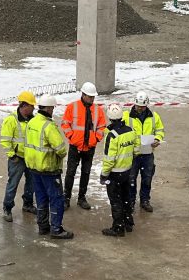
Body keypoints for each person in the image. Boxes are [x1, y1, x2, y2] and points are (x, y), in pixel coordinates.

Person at [24, 93, 71, 239]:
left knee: (41, 198)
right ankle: (56, 229)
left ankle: (43, 226)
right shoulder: (48, 126)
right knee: (56, 199)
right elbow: (61, 149)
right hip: (49, 169)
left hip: (34, 169)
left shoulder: (32, 122)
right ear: (49, 108)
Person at [60, 82, 106, 211]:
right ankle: (66, 198)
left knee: (86, 173)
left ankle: (81, 198)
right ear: (83, 95)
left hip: (89, 148)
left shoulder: (98, 110)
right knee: (70, 173)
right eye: (90, 97)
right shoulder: (72, 107)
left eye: (93, 97)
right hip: (75, 147)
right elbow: (65, 124)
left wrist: (96, 138)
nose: (92, 99)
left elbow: (102, 126)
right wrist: (72, 137)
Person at [122, 93, 165, 214]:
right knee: (131, 179)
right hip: (133, 154)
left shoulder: (154, 117)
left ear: (146, 105)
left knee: (147, 178)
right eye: (138, 106)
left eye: (142, 106)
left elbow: (160, 130)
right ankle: (130, 201)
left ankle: (145, 200)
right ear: (134, 104)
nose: (140, 108)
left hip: (147, 153)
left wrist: (157, 139)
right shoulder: (126, 116)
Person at [0, 91, 36, 221]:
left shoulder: (33, 120)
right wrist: (12, 156)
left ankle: (28, 204)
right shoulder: (11, 120)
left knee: (31, 183)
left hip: (30, 158)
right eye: (32, 106)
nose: (33, 109)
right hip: (17, 159)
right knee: (13, 184)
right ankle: (7, 208)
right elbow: (5, 140)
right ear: (24, 105)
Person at [100, 113, 139, 237]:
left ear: (110, 118)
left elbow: (109, 159)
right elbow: (136, 149)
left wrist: (104, 174)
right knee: (126, 198)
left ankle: (118, 228)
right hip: (127, 171)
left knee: (116, 201)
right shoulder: (131, 131)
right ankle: (128, 223)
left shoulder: (112, 135)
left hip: (114, 174)